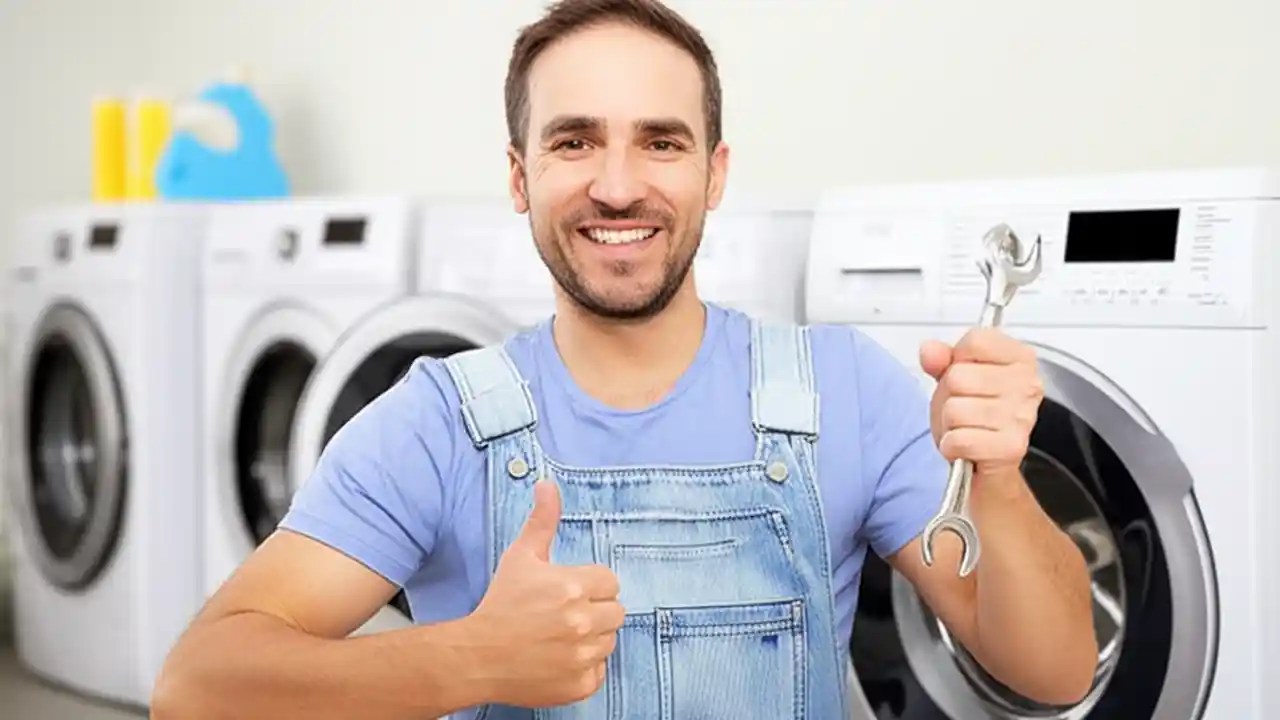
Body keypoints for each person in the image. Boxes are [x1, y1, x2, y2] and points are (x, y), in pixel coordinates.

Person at [151, 0, 1098, 717]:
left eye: (660, 141)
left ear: (713, 173)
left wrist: (1002, 482)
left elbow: (1053, 674)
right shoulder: (437, 421)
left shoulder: (841, 389)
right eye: (573, 142)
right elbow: (197, 689)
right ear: (521, 177)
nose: (616, 185)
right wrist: (473, 658)